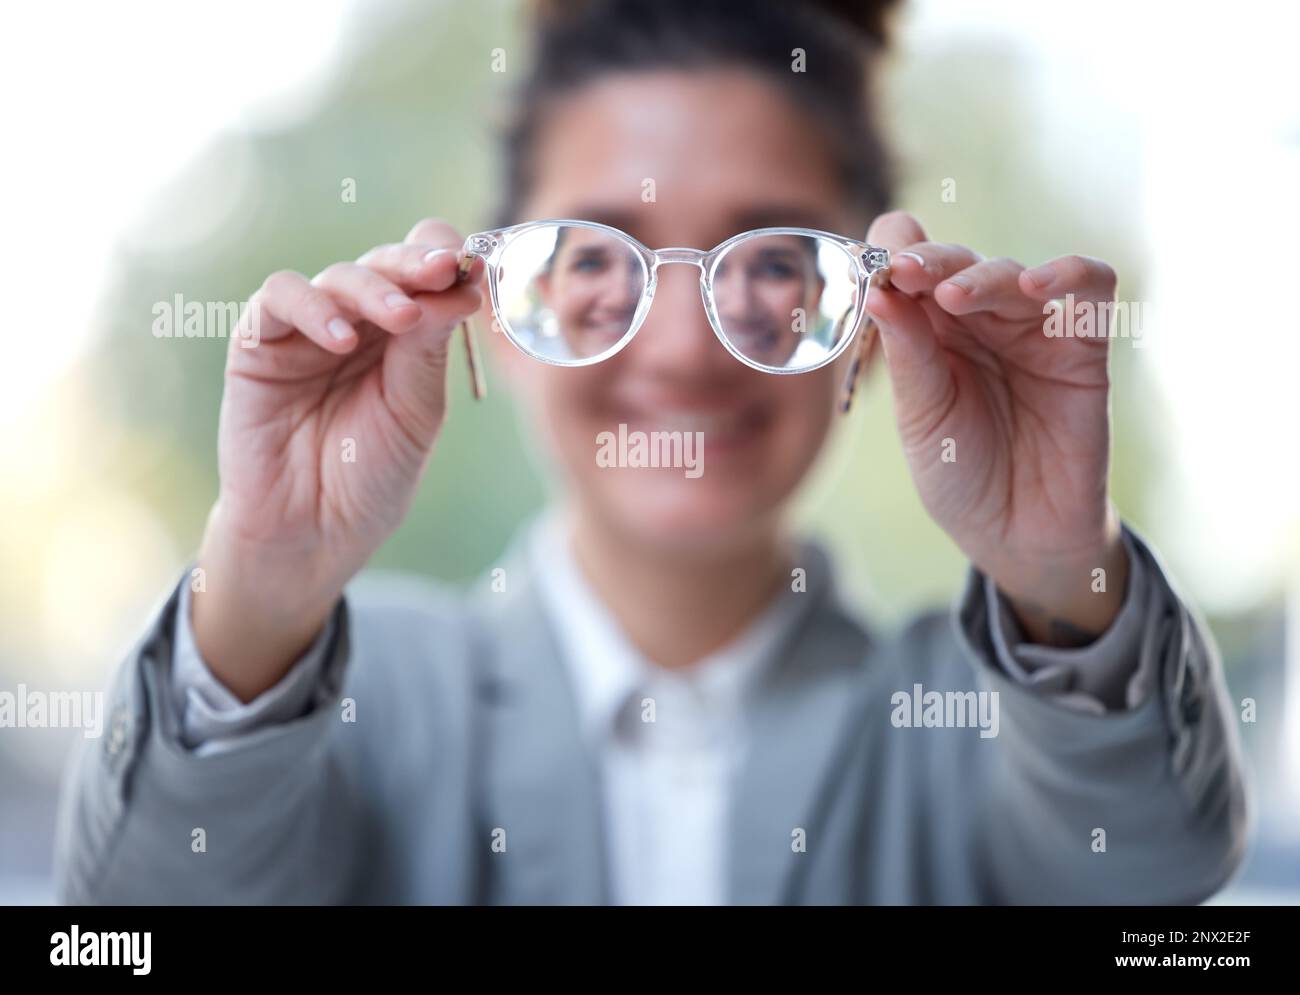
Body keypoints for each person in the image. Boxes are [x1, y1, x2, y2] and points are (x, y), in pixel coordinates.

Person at [54, 0, 1248, 905]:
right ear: (492, 312)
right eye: (594, 262)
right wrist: (262, 574)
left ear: (869, 331)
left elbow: (1154, 877)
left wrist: (1061, 572)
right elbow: (138, 914)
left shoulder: (974, 716)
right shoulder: (364, 695)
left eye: (773, 264)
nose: (679, 346)